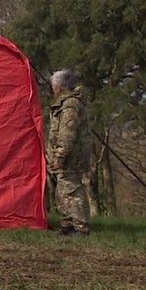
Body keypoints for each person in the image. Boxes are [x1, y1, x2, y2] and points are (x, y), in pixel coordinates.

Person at [46, 69, 91, 236]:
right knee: (62, 189)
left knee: (72, 189)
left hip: (71, 156)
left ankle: (81, 226)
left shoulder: (70, 104)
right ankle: (68, 224)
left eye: (54, 86)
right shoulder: (64, 103)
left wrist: (60, 155)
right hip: (65, 155)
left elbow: (67, 132)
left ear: (59, 86)